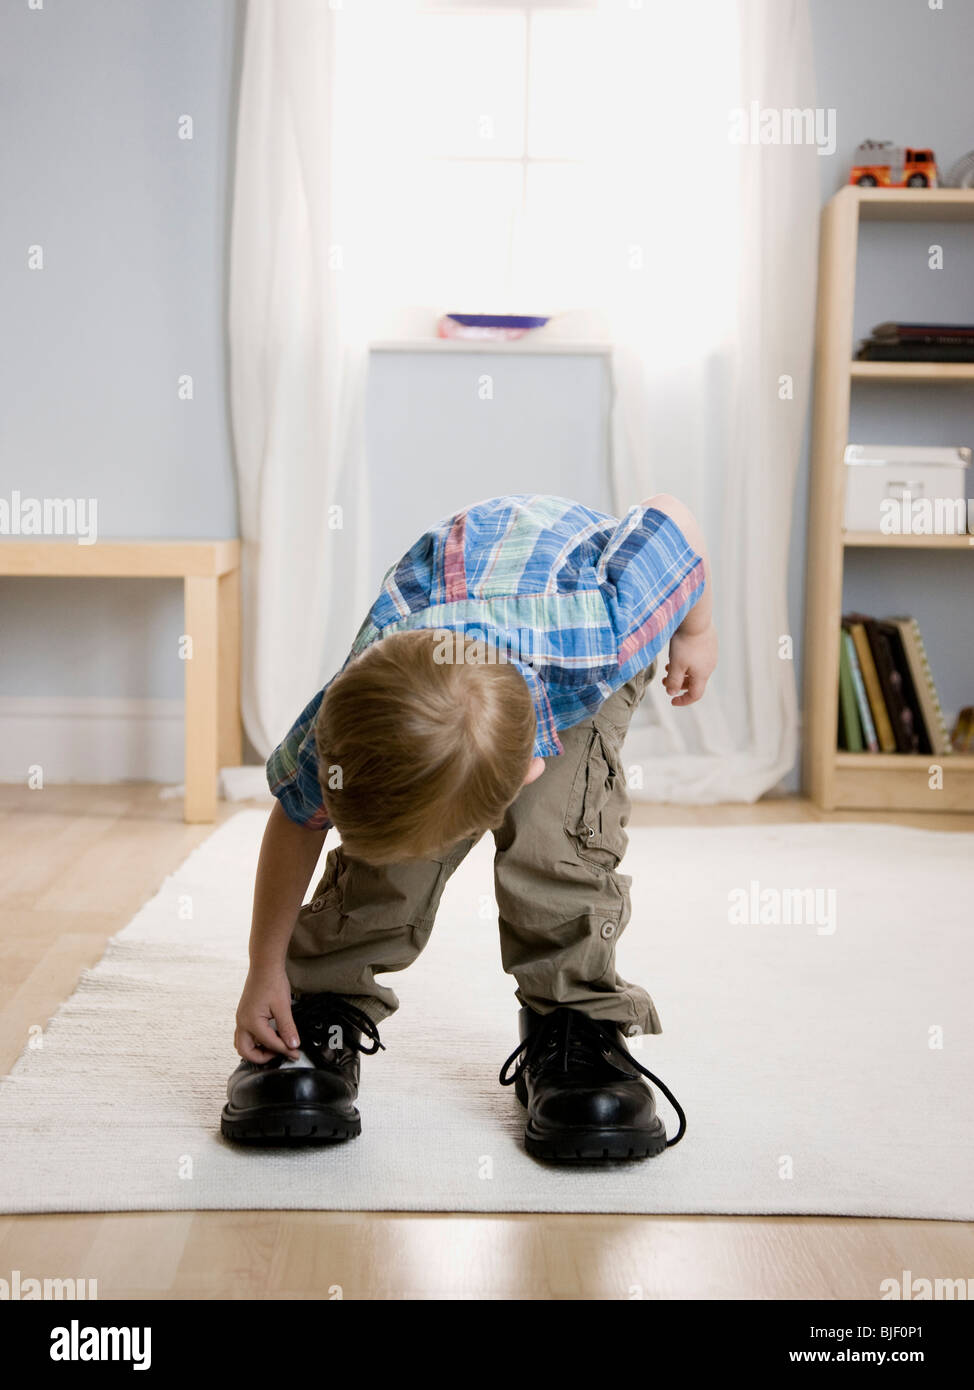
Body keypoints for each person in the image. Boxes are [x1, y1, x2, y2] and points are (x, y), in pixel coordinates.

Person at [221, 493, 716, 1162]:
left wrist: (695, 630)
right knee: (392, 862)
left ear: (529, 767)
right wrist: (264, 969)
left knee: (559, 842)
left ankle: (572, 1018)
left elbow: (672, 516)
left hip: (577, 644)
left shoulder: (612, 624)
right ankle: (321, 1001)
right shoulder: (350, 718)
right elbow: (294, 819)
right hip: (450, 622)